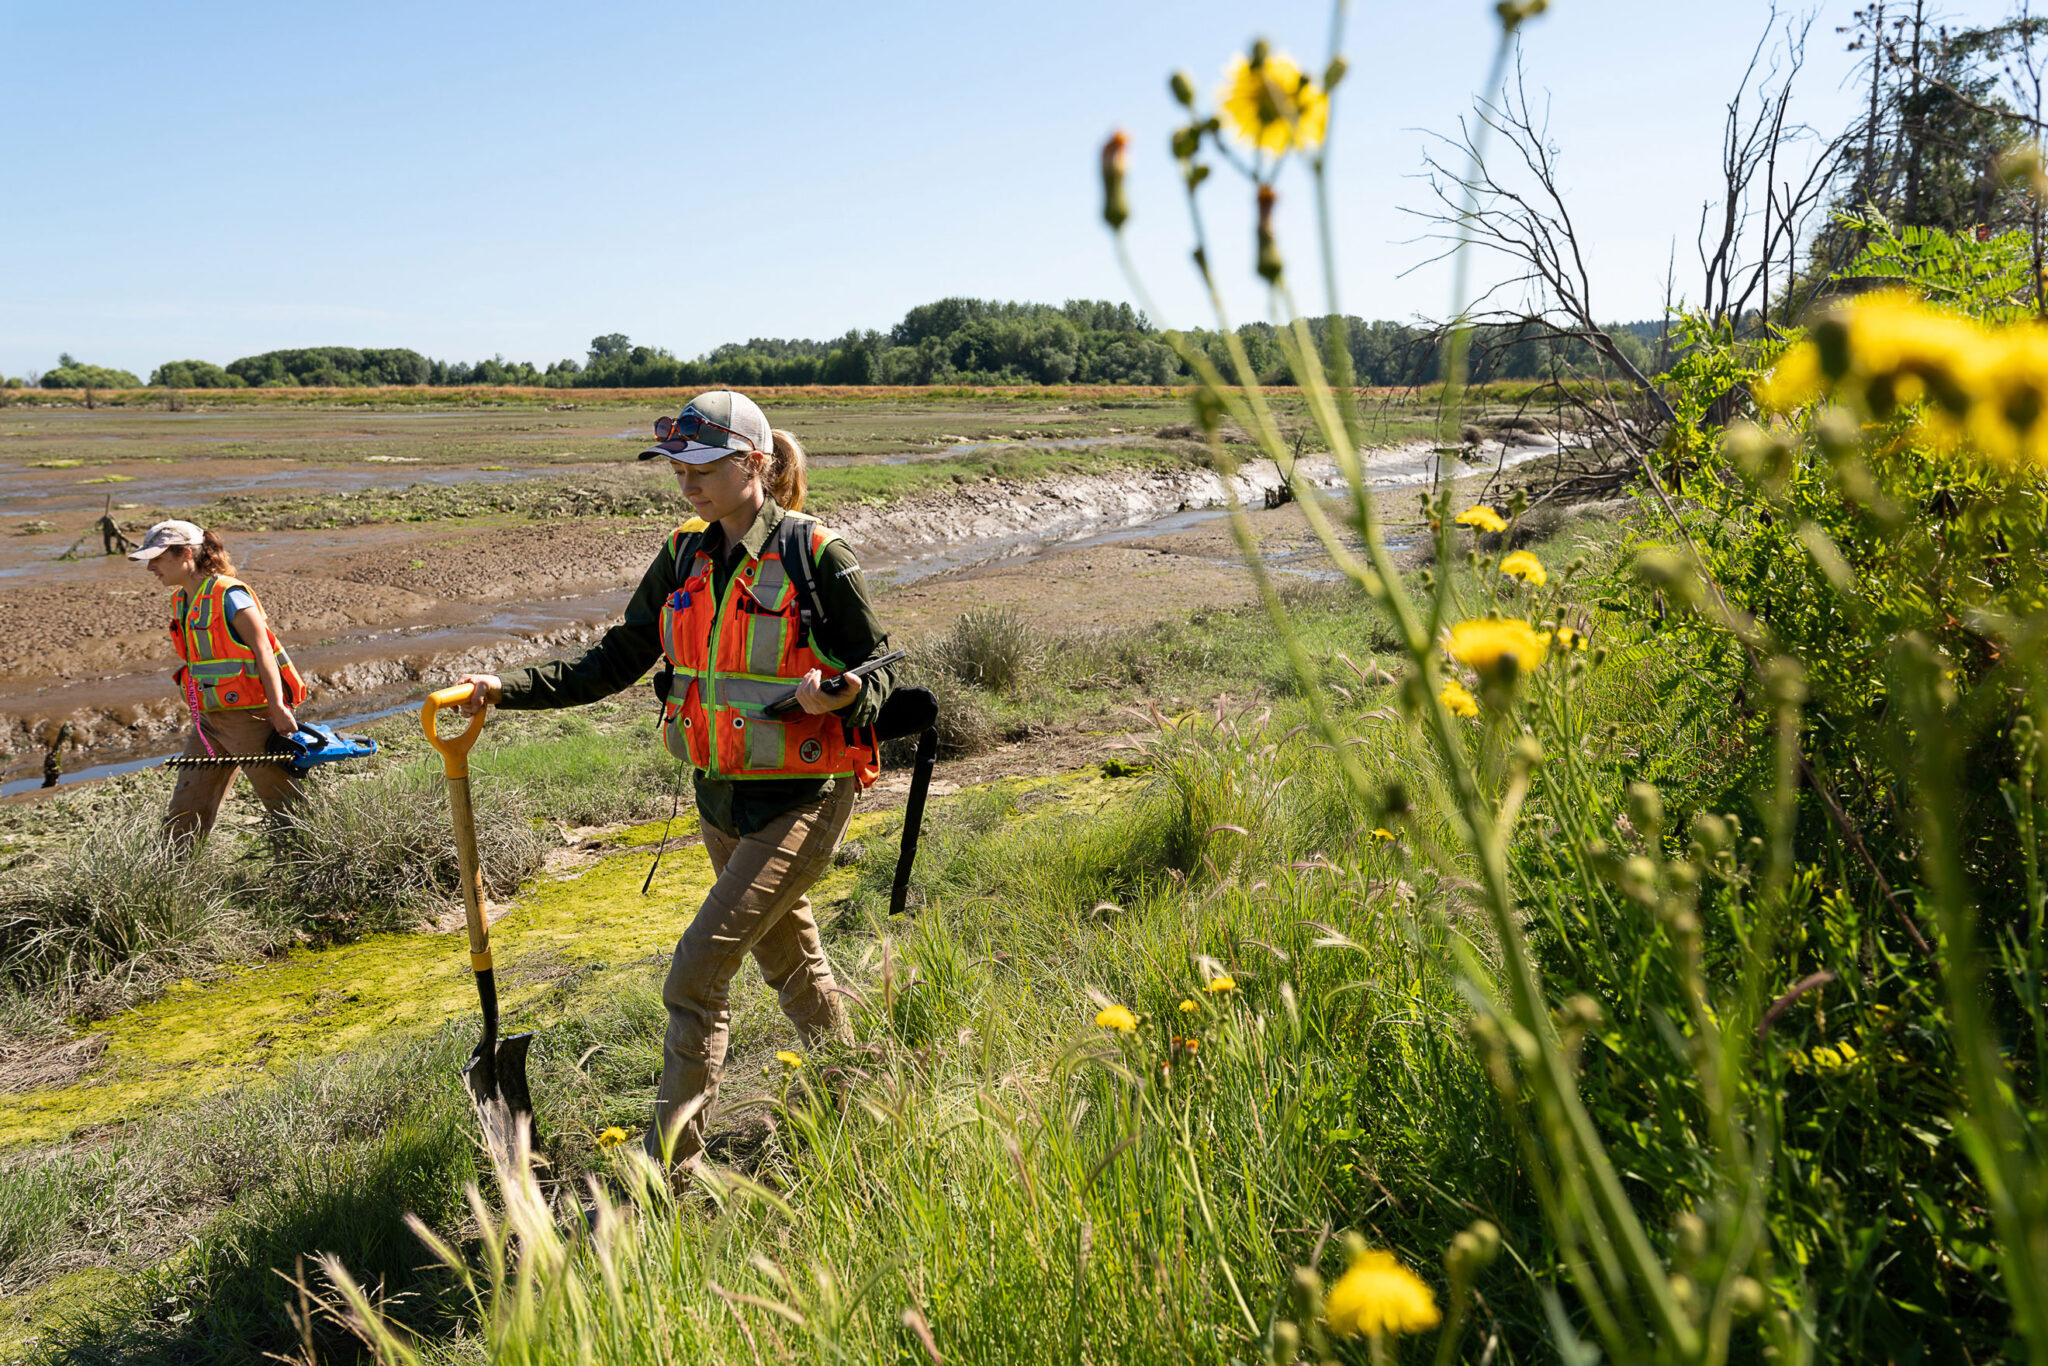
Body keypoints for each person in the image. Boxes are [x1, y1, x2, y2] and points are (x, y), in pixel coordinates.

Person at [456, 389, 896, 1171]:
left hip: (800, 798)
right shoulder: (684, 553)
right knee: (788, 960)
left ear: (753, 465)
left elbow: (885, 672)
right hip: (719, 799)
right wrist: (507, 688)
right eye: (675, 465)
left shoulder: (815, 553)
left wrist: (849, 689)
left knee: (694, 978)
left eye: (701, 464)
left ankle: (672, 1177)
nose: (685, 481)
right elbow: (616, 660)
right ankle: (862, 1085)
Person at [131, 520, 309, 843]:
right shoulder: (183, 600)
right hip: (208, 723)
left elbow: (263, 652)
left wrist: (278, 708)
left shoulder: (229, 595)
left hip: (250, 720)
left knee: (287, 807)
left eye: (157, 558)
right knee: (186, 808)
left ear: (186, 554)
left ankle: (317, 870)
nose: (150, 567)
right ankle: (174, 879)